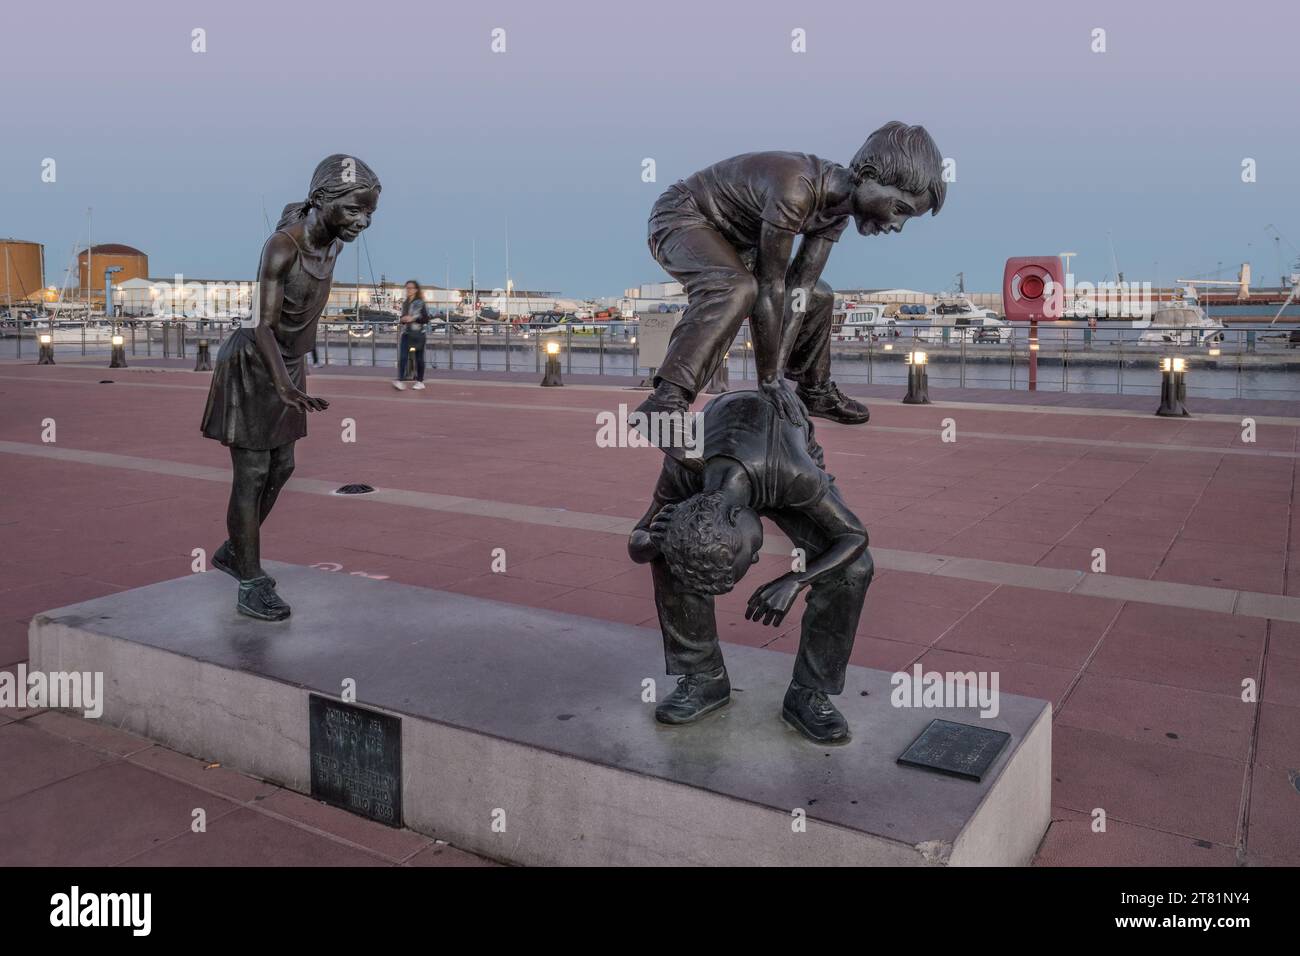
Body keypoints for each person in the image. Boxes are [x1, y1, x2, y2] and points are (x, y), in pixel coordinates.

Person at [638, 122, 946, 447]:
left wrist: (776, 378)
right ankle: (664, 403)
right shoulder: (797, 187)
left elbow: (800, 289)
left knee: (820, 296)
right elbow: (771, 288)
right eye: (899, 209)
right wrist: (769, 381)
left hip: (736, 242)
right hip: (681, 217)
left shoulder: (835, 212)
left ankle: (815, 390)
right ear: (868, 174)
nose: (897, 225)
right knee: (736, 288)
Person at [628, 389, 874, 744]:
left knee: (853, 569)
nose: (758, 557)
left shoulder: (794, 474)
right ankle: (704, 677)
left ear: (738, 515)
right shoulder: (683, 470)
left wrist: (795, 580)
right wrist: (657, 538)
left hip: (779, 447)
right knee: (675, 548)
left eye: (751, 550)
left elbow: (854, 536)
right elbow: (636, 541)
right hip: (726, 455)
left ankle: (809, 691)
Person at [200, 154, 381, 621]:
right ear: (322, 201)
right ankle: (251, 582)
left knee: (283, 466)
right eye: (354, 211)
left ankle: (233, 551)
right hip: (255, 363)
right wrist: (282, 385)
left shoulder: (335, 244)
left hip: (289, 367)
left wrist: (295, 375)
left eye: (369, 214)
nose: (362, 222)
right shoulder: (282, 247)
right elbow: (262, 324)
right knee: (252, 473)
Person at [393, 279, 429, 390]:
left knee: (419, 359)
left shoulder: (420, 303)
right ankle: (400, 380)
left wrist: (413, 318)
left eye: (410, 288)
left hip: (418, 334)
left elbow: (425, 319)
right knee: (403, 357)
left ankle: (420, 381)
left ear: (416, 290)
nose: (408, 290)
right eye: (407, 288)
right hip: (407, 334)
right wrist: (403, 319)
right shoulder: (405, 303)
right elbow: (403, 318)